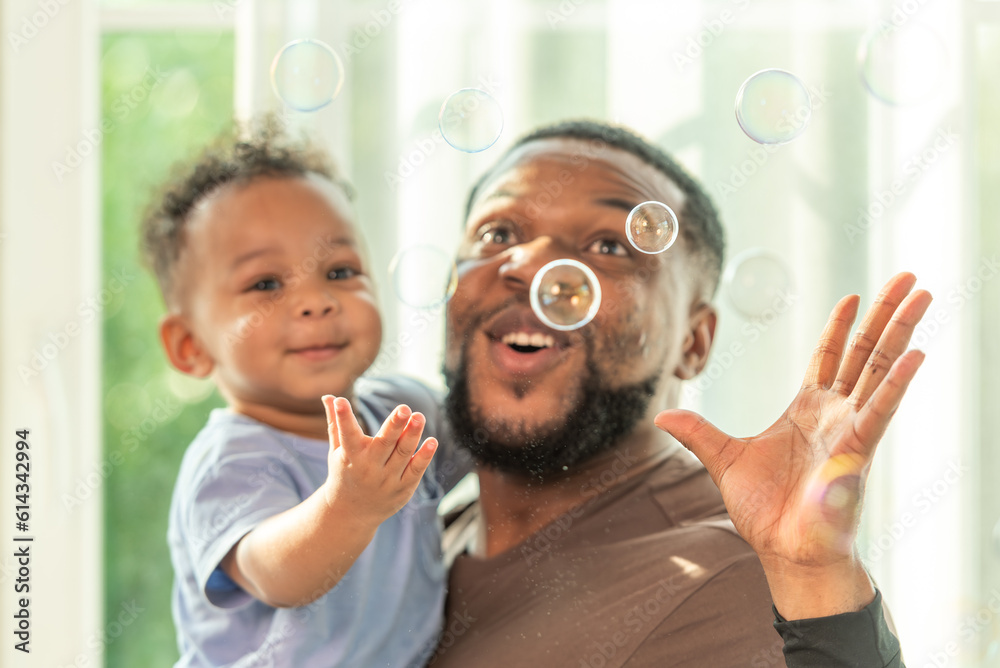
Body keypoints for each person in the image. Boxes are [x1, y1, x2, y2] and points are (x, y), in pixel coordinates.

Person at [429, 120, 924, 667]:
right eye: (498, 234)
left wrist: (819, 594)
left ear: (694, 341)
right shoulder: (411, 540)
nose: (529, 266)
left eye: (608, 245)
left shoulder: (738, 584)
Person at [141, 118, 467, 667]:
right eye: (266, 284)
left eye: (340, 271)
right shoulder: (233, 461)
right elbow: (279, 575)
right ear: (190, 345)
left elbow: (500, 445)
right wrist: (348, 507)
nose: (316, 301)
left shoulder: (403, 413)